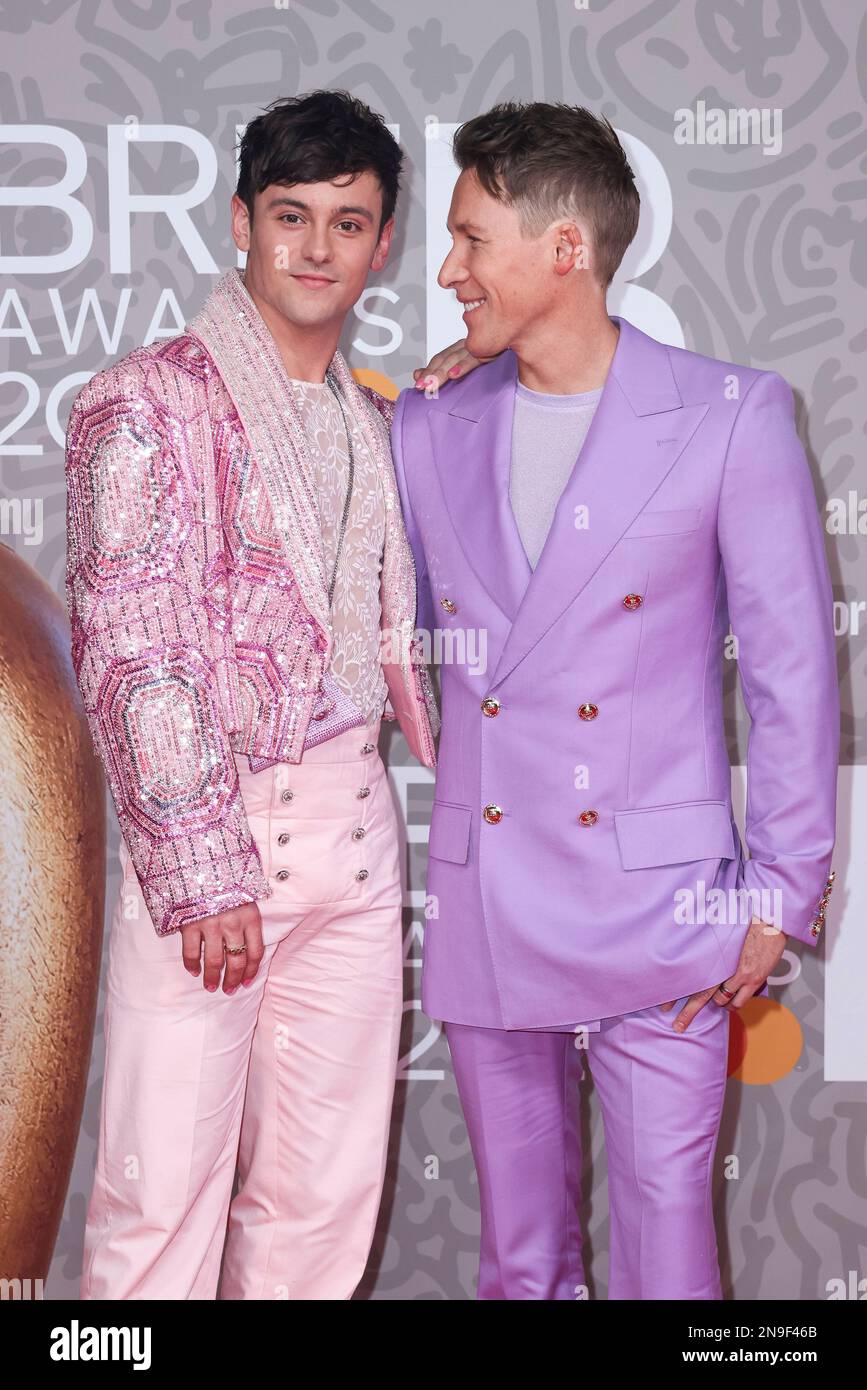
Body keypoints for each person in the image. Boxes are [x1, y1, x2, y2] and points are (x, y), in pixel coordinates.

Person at [391, 100, 839, 1300]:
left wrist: (781, 888)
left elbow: (795, 671)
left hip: (667, 905)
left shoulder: (729, 416)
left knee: (669, 1261)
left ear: (565, 249)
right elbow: (399, 635)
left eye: (474, 238)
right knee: (519, 1262)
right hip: (495, 898)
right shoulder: (428, 426)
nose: (449, 269)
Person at [65, 89, 474, 1301]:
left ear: (384, 242)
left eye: (348, 223)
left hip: (353, 862)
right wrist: (201, 870)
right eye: (290, 215)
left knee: (320, 1207)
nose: (315, 247)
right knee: (158, 1205)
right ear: (240, 221)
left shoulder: (372, 414)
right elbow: (135, 643)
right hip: (216, 854)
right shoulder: (145, 401)